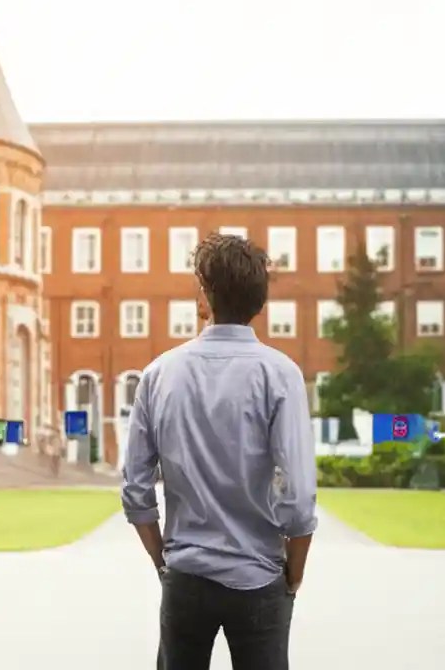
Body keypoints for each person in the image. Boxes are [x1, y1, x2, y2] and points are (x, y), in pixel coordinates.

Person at [121, 234, 319, 670]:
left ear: (203, 295)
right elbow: (299, 496)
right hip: (260, 576)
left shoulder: (158, 374)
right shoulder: (280, 374)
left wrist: (162, 561)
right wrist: (295, 572)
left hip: (186, 575)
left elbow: (135, 490)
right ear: (260, 302)